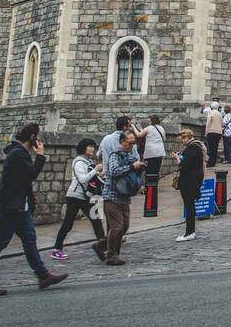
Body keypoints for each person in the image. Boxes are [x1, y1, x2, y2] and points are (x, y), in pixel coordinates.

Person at [0, 123, 69, 296]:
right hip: (12, 207)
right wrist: (40, 156)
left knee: (29, 240)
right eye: (38, 137)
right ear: (33, 137)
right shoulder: (18, 154)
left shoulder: (20, 153)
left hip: (20, 207)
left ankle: (43, 275)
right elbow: (31, 174)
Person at [95, 128, 146, 266]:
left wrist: (139, 168)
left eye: (134, 143)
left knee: (124, 227)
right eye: (130, 143)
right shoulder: (115, 155)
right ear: (122, 142)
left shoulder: (130, 157)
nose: (132, 146)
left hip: (124, 196)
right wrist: (132, 167)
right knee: (117, 227)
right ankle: (112, 255)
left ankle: (101, 245)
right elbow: (113, 171)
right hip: (112, 195)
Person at [51, 138, 106, 259]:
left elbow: (91, 178)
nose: (92, 149)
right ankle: (57, 249)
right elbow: (82, 179)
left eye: (93, 146)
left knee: (96, 219)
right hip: (75, 196)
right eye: (89, 146)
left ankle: (102, 246)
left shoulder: (88, 161)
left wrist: (99, 174)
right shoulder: (79, 162)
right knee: (68, 223)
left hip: (88, 196)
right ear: (83, 148)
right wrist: (95, 170)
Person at [173, 128, 207, 242]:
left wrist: (178, 159)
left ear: (187, 137)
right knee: (190, 205)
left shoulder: (192, 147)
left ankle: (189, 232)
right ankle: (190, 231)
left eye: (182, 140)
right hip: (193, 179)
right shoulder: (195, 146)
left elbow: (185, 165)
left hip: (189, 181)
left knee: (189, 206)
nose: (181, 142)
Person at [139, 114, 168, 194]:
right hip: (160, 152)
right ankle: (154, 187)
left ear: (152, 121)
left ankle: (148, 189)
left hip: (150, 153)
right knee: (156, 171)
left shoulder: (149, 128)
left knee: (149, 172)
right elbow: (164, 139)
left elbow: (139, 135)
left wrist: (133, 127)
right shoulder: (161, 128)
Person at [203, 101, 224, 168]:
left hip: (211, 132)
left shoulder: (211, 113)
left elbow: (208, 123)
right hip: (218, 132)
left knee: (210, 148)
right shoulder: (220, 114)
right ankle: (213, 162)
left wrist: (206, 132)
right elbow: (221, 124)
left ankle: (210, 162)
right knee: (215, 148)